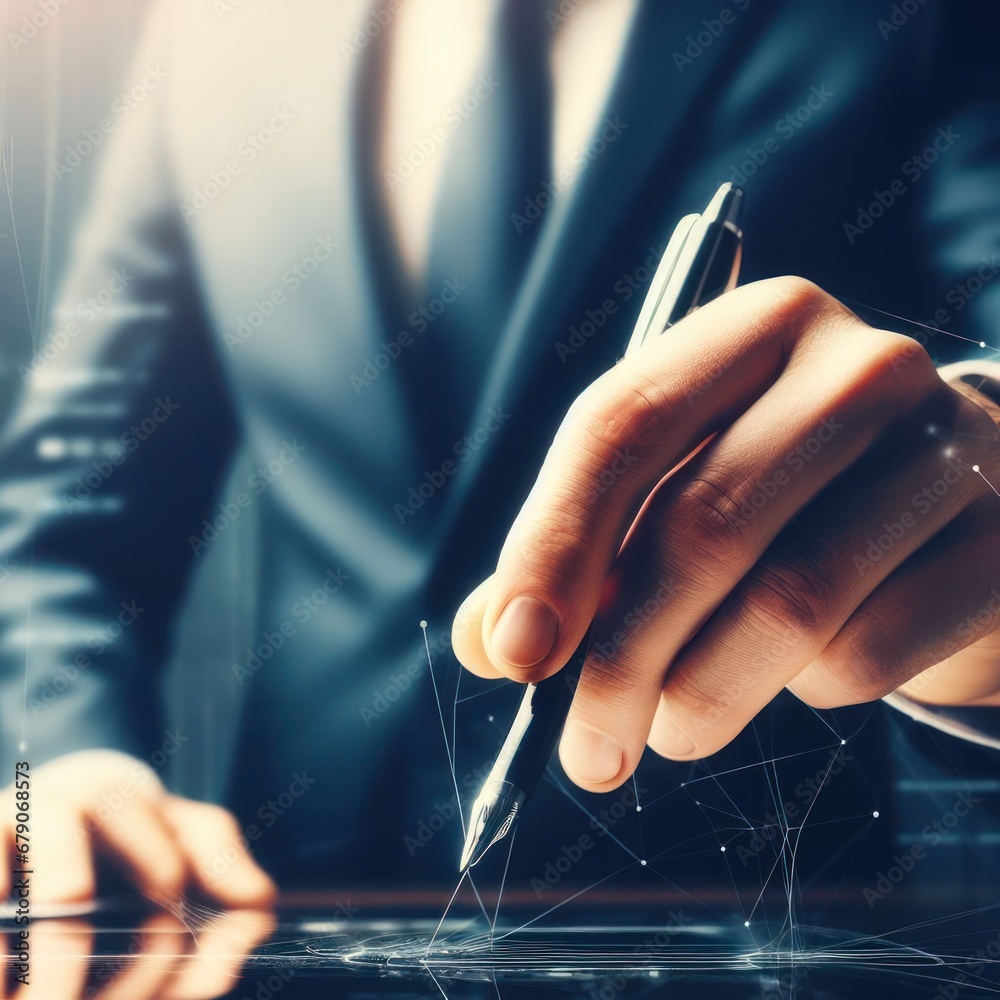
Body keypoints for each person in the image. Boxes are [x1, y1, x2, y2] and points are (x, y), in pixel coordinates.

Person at [1, 0, 998, 907]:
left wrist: (974, 467)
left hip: (732, 920)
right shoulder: (213, 32)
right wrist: (64, 759)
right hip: (276, 902)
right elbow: (71, 504)